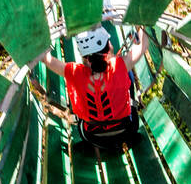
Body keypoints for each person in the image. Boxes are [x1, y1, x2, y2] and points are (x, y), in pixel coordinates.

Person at [42, 22, 148, 151]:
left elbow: (47, 59)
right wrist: (140, 25)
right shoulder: (120, 65)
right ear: (108, 47)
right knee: (128, 74)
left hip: (92, 137)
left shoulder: (74, 72)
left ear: (84, 56)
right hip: (128, 129)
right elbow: (143, 45)